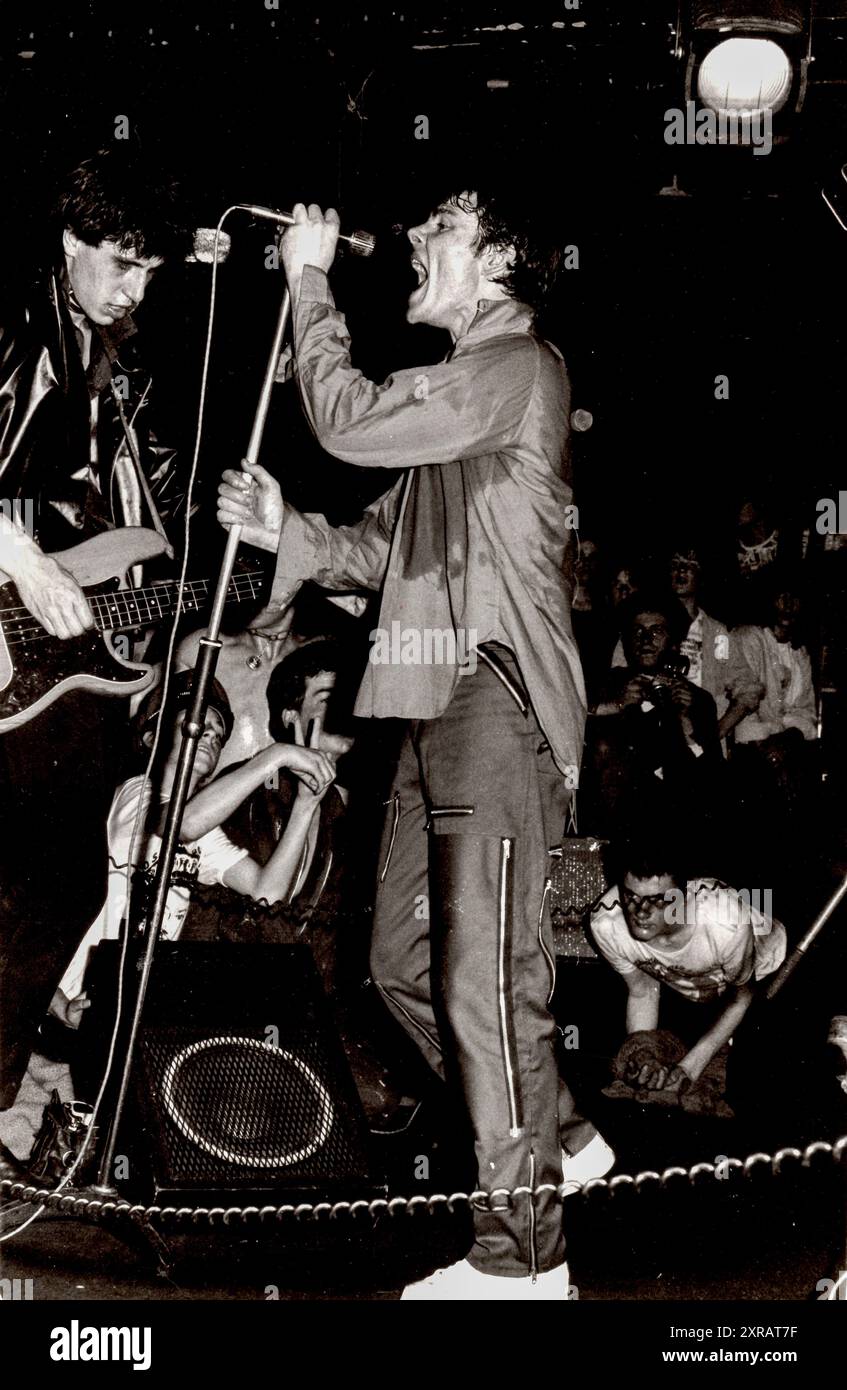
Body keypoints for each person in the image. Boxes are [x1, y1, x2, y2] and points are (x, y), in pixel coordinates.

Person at [217, 184, 612, 1298]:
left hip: (496, 695)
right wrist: (282, 528)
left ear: (493, 266)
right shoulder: (461, 409)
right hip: (427, 692)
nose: (414, 244)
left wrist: (306, 277)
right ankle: (560, 1142)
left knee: (488, 979)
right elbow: (373, 555)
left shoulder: (513, 367)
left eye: (440, 230)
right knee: (401, 965)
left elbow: (346, 416)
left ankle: (523, 1259)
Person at [0, 146, 190, 1165]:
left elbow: (130, 517)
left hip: (66, 664)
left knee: (63, 883)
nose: (136, 286)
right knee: (48, 879)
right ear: (69, 243)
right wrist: (18, 553)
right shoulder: (18, 319)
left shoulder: (107, 358)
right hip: (19, 615)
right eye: (121, 263)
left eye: (149, 269)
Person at [54, 671, 337, 1012]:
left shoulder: (202, 830)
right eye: (197, 726)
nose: (210, 737)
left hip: (111, 1000)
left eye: (218, 735)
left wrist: (306, 805)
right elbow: (182, 825)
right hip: (59, 994)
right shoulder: (135, 792)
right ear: (151, 738)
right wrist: (271, 757)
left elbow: (267, 892)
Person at [590, 839, 786, 1110]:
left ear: (685, 893)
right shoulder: (606, 923)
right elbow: (643, 990)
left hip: (766, 977)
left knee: (746, 1083)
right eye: (630, 896)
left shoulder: (724, 921)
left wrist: (689, 1068)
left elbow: (741, 998)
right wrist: (646, 1052)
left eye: (657, 900)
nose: (640, 913)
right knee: (637, 1072)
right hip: (688, 986)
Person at [585, 589, 725, 863]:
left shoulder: (697, 700)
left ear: (673, 642)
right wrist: (617, 706)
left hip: (679, 825)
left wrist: (686, 723)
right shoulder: (607, 687)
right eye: (636, 631)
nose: (645, 640)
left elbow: (713, 775)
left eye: (656, 631)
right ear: (625, 641)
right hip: (620, 827)